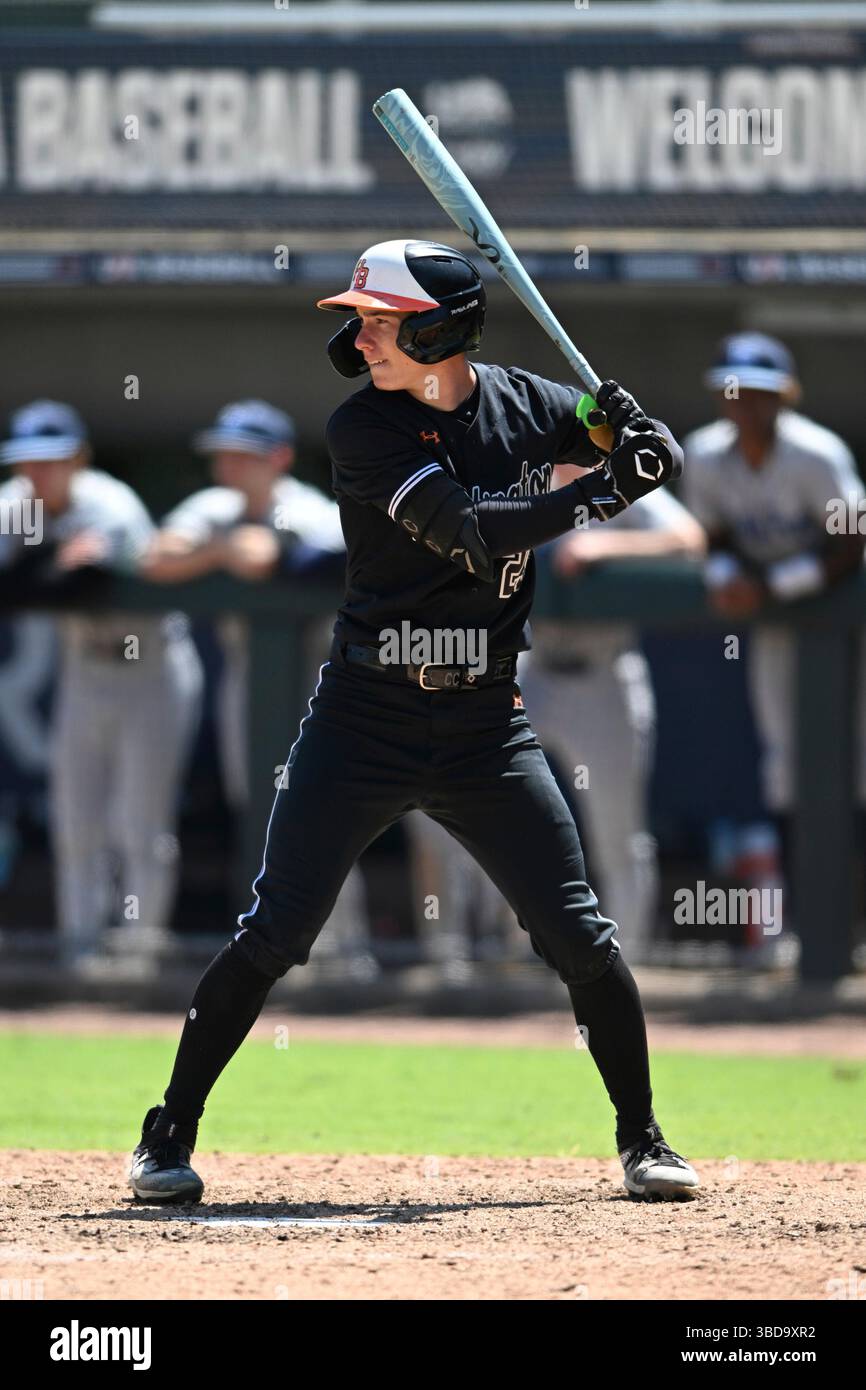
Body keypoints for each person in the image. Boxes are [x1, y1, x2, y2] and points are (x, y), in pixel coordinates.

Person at [128, 239, 699, 1205]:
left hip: (486, 725)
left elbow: (643, 447)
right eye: (362, 320)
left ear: (442, 326)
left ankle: (642, 1138)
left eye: (384, 320)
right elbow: (470, 531)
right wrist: (608, 487)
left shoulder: (533, 405)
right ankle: (166, 1134)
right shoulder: (365, 429)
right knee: (276, 934)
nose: (364, 335)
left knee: (580, 937)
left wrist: (637, 437)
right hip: (365, 716)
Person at [0, 401, 203, 969]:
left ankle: (138, 954)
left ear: (78, 459)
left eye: (49, 461)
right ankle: (81, 953)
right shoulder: (16, 505)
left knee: (140, 822)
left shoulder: (109, 503)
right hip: (85, 668)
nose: (35, 474)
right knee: (76, 821)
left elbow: (79, 584)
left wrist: (37, 566)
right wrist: (47, 561)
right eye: (26, 463)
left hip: (152, 668)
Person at [682, 333, 866, 943]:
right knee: (786, 764)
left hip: (844, 616)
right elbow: (707, 534)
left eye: (758, 393)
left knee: (856, 762)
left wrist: (776, 584)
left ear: (785, 396)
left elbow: (852, 536)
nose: (744, 404)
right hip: (779, 627)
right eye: (733, 391)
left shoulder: (817, 453)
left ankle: (849, 924)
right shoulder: (705, 454)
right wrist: (728, 575)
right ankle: (812, 926)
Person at [517, 477, 707, 963]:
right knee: (503, 822)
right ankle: (514, 960)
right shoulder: (514, 473)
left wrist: (607, 543)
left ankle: (626, 967)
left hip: (603, 673)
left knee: (617, 835)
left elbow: (690, 539)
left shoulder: (624, 484)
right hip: (529, 671)